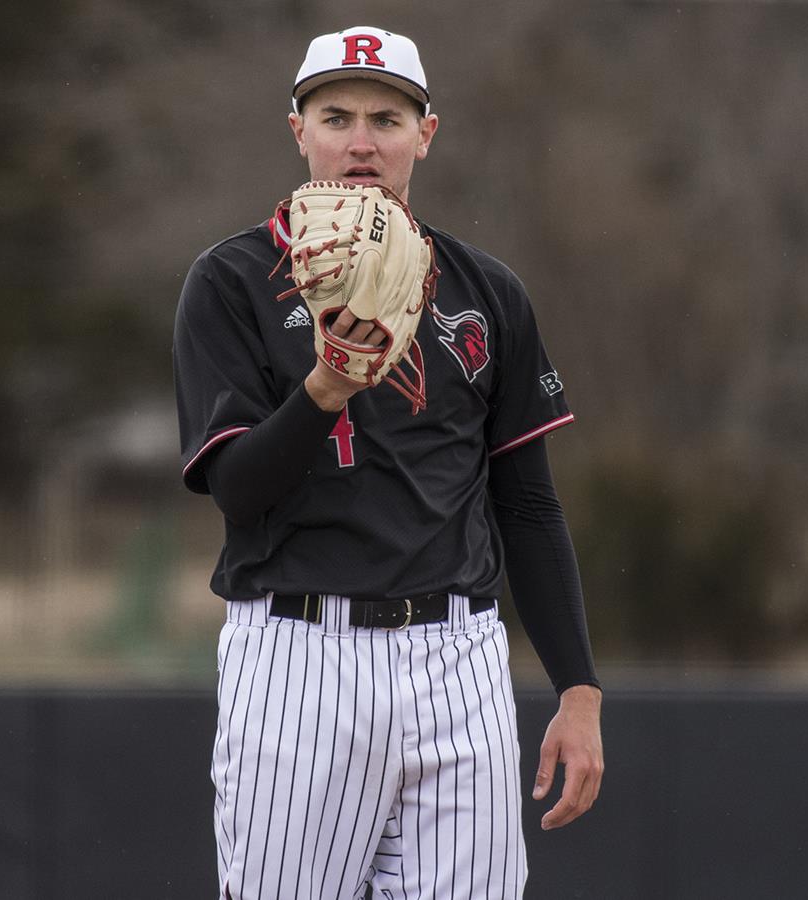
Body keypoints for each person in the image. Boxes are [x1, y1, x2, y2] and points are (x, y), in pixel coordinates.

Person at [172, 25, 602, 900]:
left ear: (425, 134)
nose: (361, 140)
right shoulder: (232, 281)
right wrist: (324, 388)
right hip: (299, 656)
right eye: (336, 115)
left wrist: (579, 688)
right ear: (298, 129)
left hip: (459, 657)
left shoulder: (487, 291)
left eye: (386, 117)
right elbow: (238, 491)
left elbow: (528, 508)